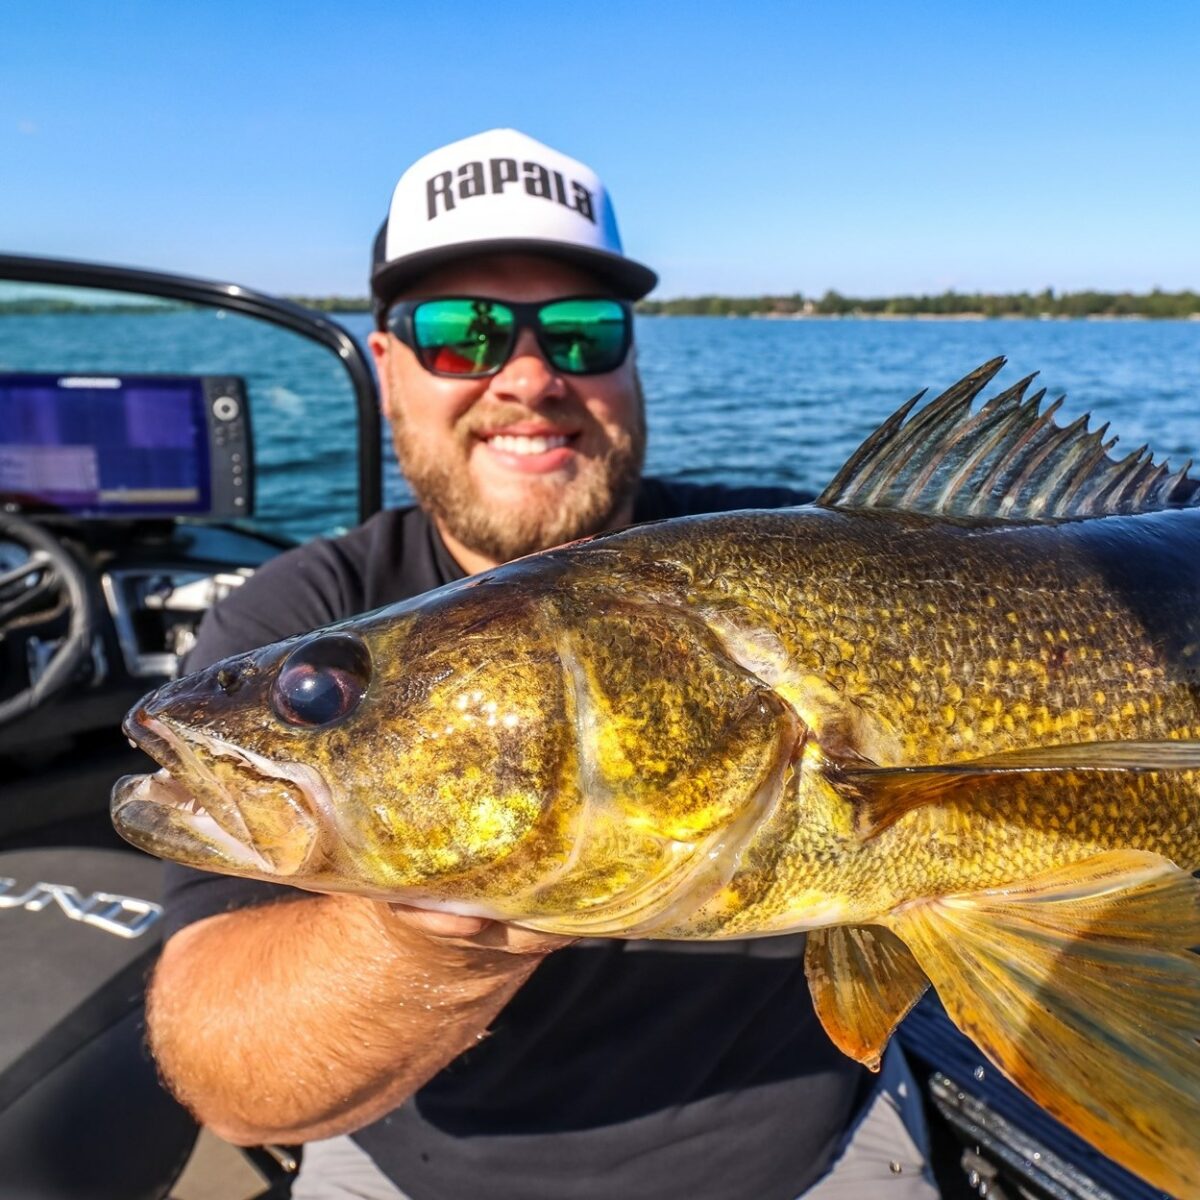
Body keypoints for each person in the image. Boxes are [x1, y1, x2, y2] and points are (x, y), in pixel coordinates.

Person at [148, 129, 938, 1200]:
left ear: (629, 362)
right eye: (462, 331)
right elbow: (229, 1076)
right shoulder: (306, 608)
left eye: (580, 330)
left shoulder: (782, 552)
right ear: (386, 372)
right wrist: (436, 929)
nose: (528, 376)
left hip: (820, 1156)